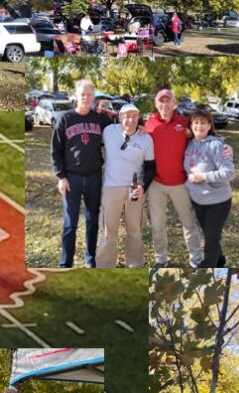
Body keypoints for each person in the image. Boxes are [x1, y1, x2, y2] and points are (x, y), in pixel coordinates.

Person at [51, 80, 116, 267]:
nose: (86, 98)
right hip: (72, 178)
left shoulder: (100, 119)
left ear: (94, 97)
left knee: (93, 221)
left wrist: (113, 114)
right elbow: (56, 150)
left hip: (94, 176)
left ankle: (90, 259)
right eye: (82, 94)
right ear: (76, 96)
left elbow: (124, 124)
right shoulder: (65, 119)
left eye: (89, 94)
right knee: (70, 224)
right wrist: (61, 177)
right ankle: (66, 263)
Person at [143, 89, 208, 268]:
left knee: (188, 223)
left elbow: (204, 135)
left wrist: (226, 148)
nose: (164, 104)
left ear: (174, 104)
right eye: (161, 101)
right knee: (157, 226)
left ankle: (196, 259)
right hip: (157, 183)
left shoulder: (185, 123)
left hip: (181, 183)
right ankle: (161, 259)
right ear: (156, 104)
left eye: (168, 101)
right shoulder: (148, 125)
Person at [96, 103, 156, 268]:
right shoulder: (108, 131)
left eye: (134, 116)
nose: (130, 120)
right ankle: (105, 265)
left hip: (134, 189)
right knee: (109, 232)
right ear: (120, 117)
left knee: (135, 231)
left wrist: (143, 187)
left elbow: (151, 167)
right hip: (111, 188)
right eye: (127, 116)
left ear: (139, 118)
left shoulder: (146, 138)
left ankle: (135, 264)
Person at [183, 110, 235, 267]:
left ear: (209, 125)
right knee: (210, 234)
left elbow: (229, 173)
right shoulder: (188, 143)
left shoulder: (217, 145)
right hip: (198, 200)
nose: (199, 126)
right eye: (196, 122)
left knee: (211, 239)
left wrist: (204, 177)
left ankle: (208, 271)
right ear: (191, 126)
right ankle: (220, 260)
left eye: (203, 122)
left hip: (218, 202)